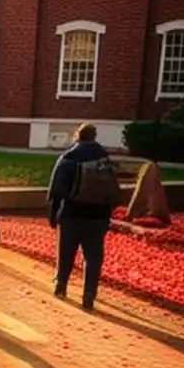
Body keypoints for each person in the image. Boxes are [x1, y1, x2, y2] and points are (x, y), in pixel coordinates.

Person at [47, 123, 118, 310]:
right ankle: (88, 295)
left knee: (66, 253)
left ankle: (61, 285)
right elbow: (113, 190)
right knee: (93, 257)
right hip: (97, 217)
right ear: (94, 136)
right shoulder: (104, 158)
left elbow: (56, 190)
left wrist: (53, 215)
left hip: (71, 214)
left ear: (78, 135)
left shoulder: (68, 158)